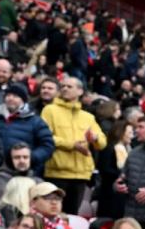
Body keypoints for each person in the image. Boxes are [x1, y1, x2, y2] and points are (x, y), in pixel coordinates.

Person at [41, 76, 105, 215]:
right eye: (63, 86)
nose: (64, 89)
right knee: (53, 214)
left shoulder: (88, 116)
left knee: (72, 216)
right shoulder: (49, 110)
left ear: (80, 91)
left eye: (69, 87)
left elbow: (102, 142)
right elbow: (46, 138)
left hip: (80, 175)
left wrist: (95, 138)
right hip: (57, 173)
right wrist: (72, 145)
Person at [0, 82, 54, 172]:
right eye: (8, 95)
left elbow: (47, 145)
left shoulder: (35, 121)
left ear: (23, 101)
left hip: (27, 171)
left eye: (16, 96)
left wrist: (29, 158)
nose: (11, 98)